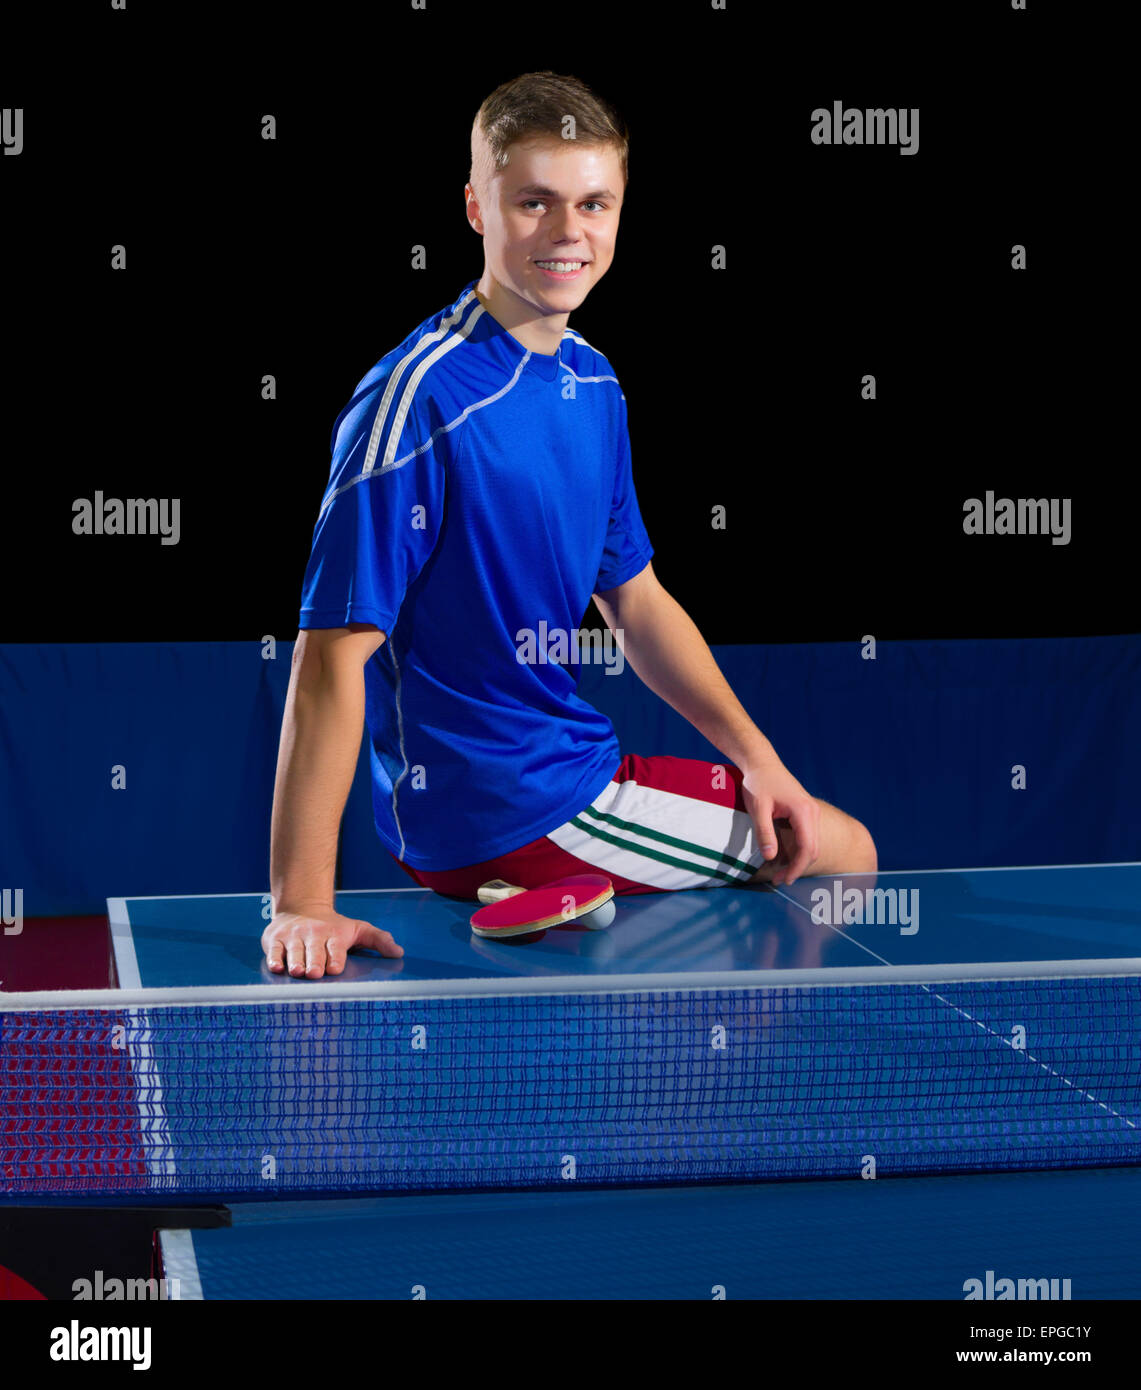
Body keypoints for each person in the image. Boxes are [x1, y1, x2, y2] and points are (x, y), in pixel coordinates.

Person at [263, 71, 876, 979]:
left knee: (782, 827)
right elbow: (328, 657)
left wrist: (759, 762)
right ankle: (721, 1070)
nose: (568, 232)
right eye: (534, 202)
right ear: (475, 208)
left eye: (594, 202)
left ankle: (557, 928)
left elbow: (635, 601)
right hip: (516, 802)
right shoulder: (417, 397)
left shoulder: (594, 383)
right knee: (846, 850)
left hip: (546, 782)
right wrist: (304, 904)